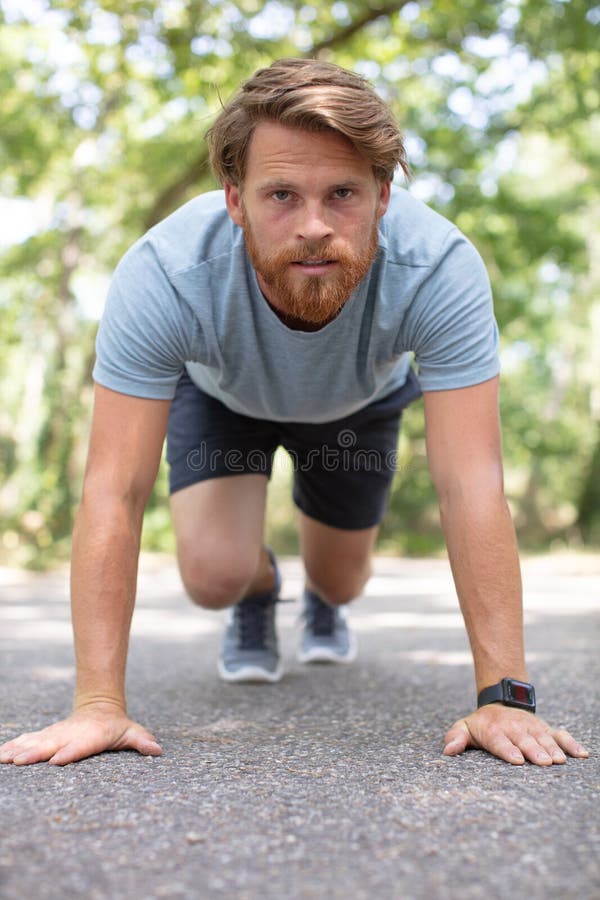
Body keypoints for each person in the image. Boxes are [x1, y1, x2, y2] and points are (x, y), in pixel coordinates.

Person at [0, 58, 588, 768]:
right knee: (213, 576)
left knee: (341, 579)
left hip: (357, 408)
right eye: (281, 194)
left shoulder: (439, 269)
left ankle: (320, 599)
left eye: (342, 193)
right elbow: (113, 490)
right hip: (225, 400)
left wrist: (505, 695)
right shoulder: (163, 275)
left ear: (382, 196)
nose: (312, 225)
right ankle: (262, 588)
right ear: (234, 199)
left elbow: (472, 482)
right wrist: (97, 703)